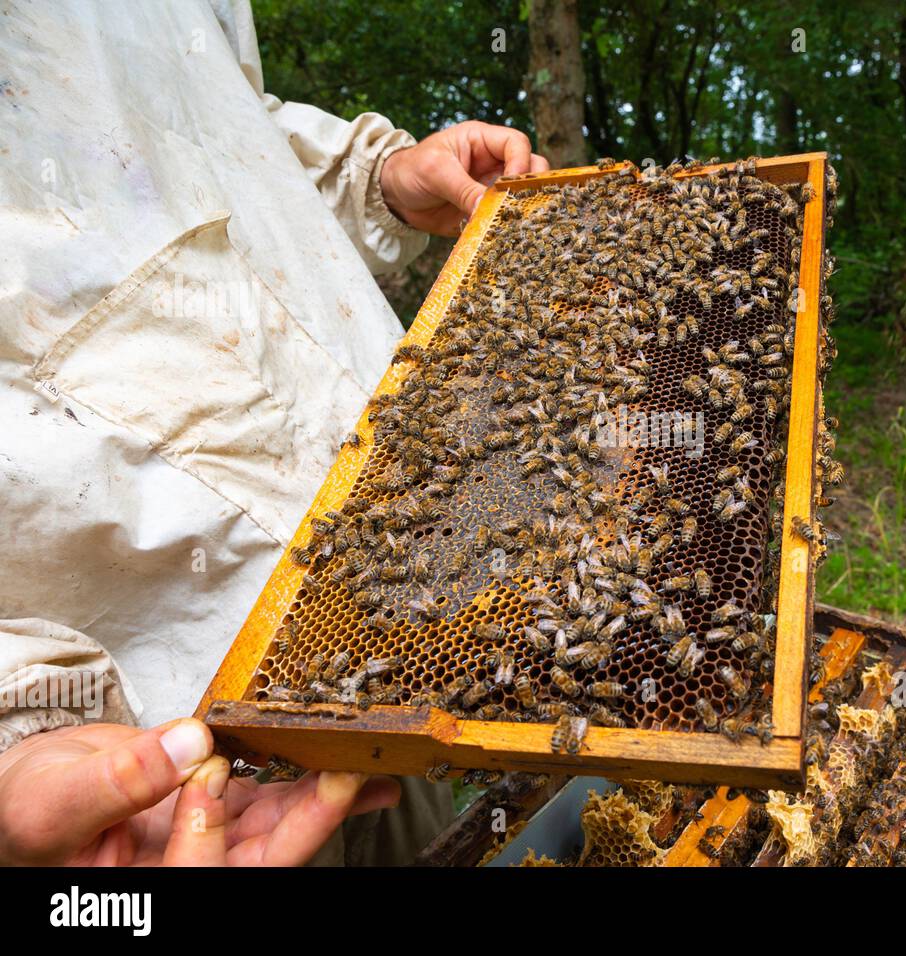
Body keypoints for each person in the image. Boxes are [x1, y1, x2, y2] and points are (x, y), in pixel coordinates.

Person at [0, 0, 549, 865]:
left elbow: (216, 119)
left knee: (419, 820)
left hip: (404, 564)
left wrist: (378, 177)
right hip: (157, 761)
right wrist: (13, 738)